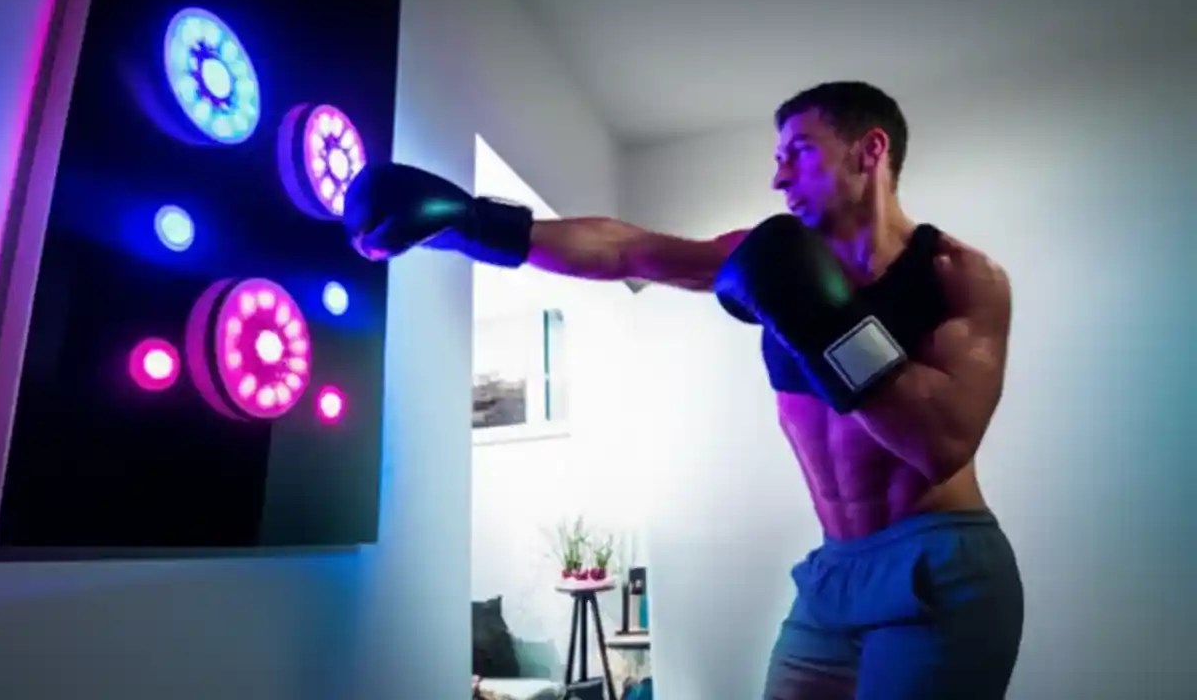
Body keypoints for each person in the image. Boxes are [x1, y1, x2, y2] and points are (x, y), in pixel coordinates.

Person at [342, 81, 1023, 699]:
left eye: (799, 151)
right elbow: (627, 251)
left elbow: (944, 442)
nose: (778, 173)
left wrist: (827, 319)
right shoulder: (762, 253)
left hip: (939, 564)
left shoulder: (957, 275)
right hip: (835, 570)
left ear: (868, 151)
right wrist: (467, 222)